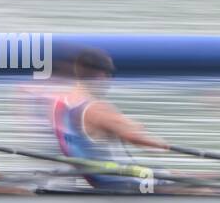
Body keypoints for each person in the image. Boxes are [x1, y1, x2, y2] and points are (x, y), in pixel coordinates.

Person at [49, 46, 169, 190]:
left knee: (177, 175)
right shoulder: (97, 108)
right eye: (110, 74)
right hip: (122, 182)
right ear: (101, 75)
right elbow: (135, 138)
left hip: (99, 179)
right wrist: (162, 145)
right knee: (190, 186)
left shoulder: (59, 103)